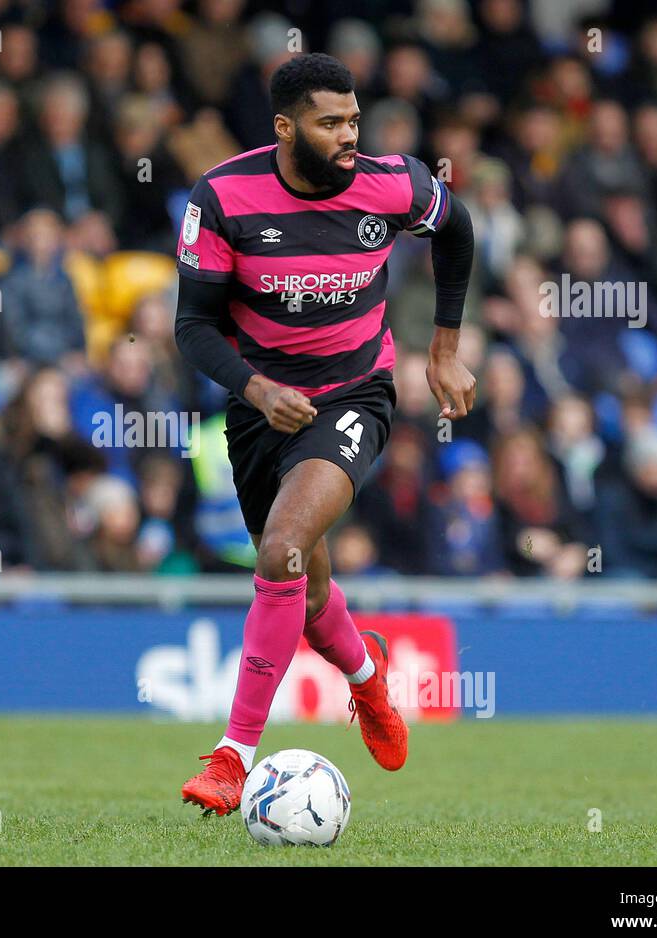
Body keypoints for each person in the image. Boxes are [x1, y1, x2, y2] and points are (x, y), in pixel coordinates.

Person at [171, 53, 475, 814]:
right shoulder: (223, 197)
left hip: (354, 394)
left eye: (353, 121)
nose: (347, 136)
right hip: (262, 410)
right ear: (285, 127)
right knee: (304, 593)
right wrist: (253, 387)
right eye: (329, 123)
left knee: (280, 551)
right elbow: (192, 326)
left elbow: (457, 227)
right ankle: (368, 680)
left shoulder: (393, 183)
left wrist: (443, 347)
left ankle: (233, 758)